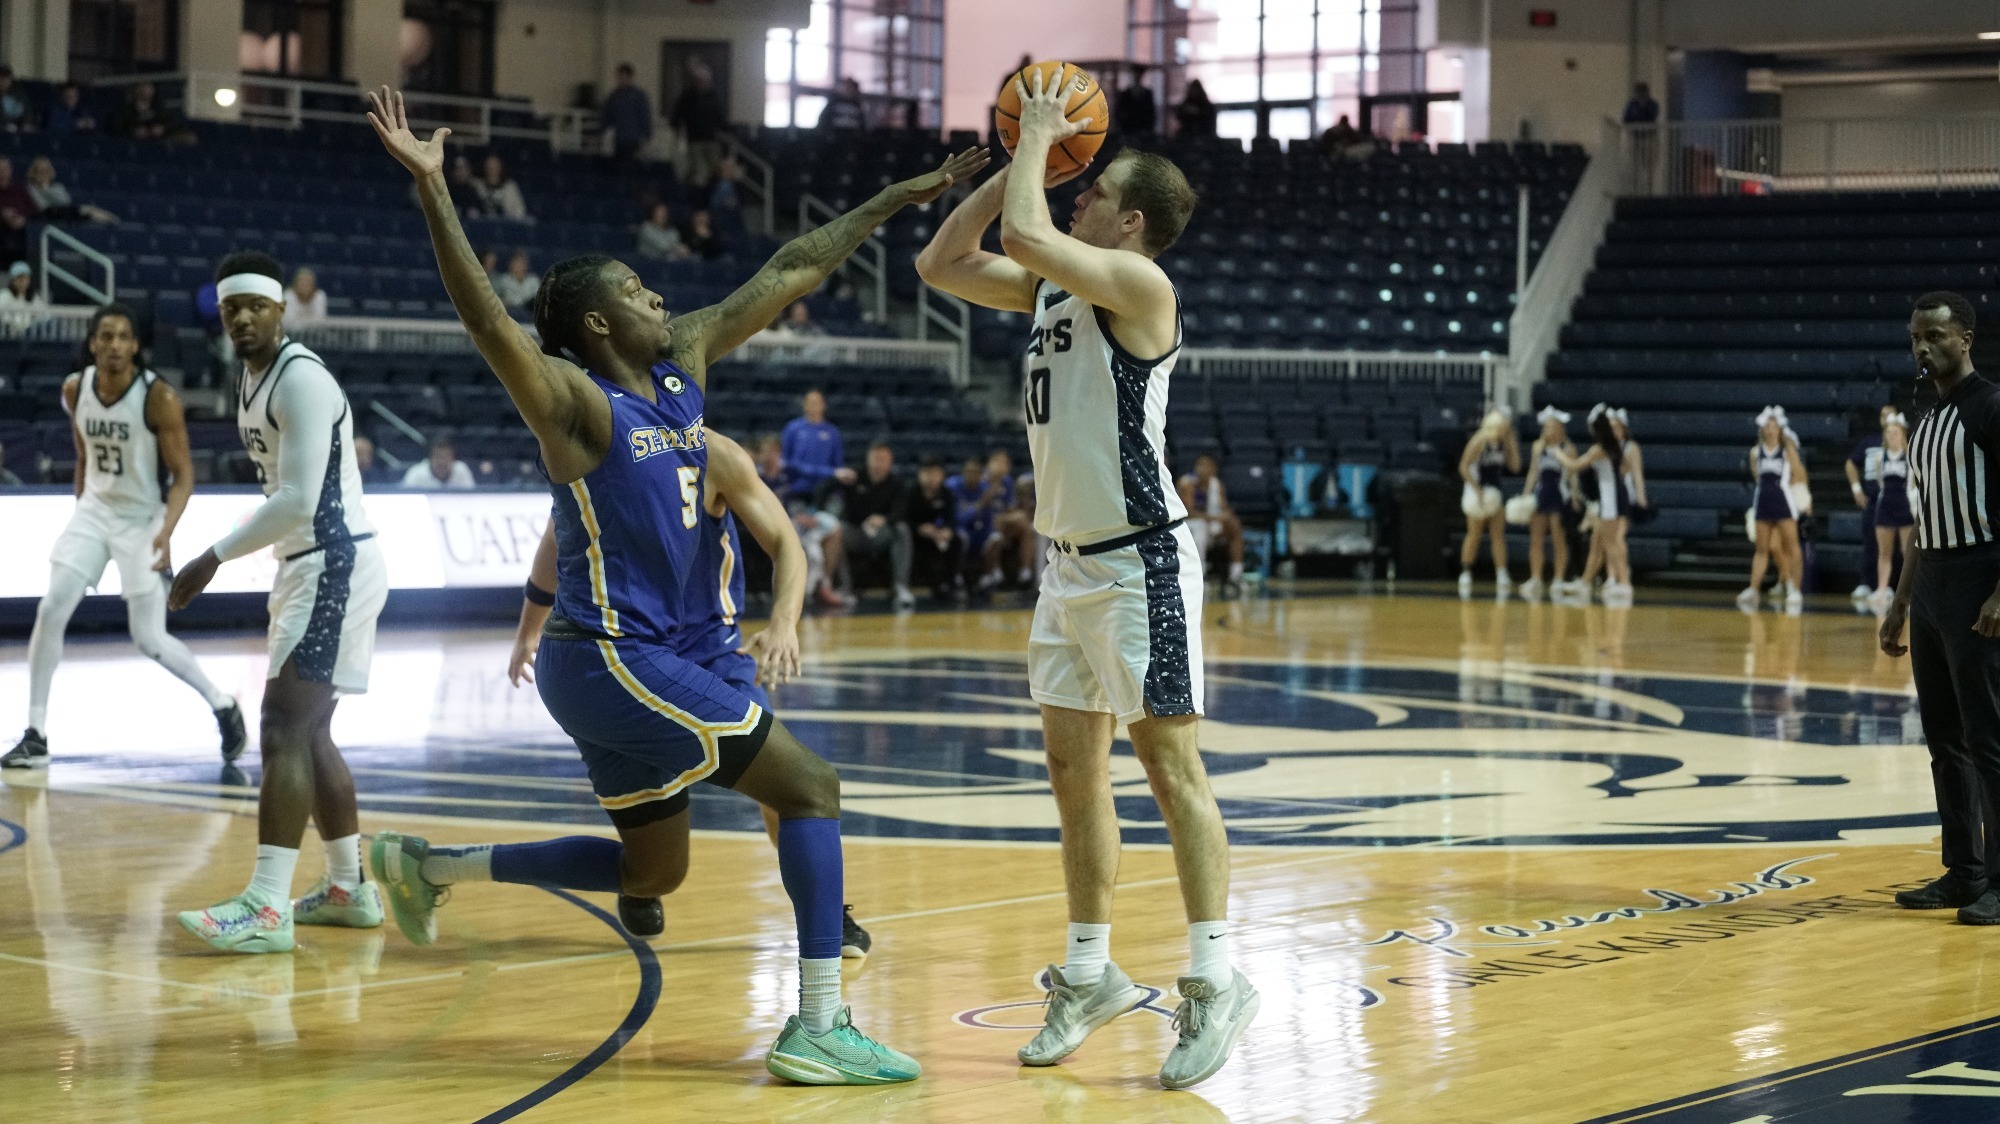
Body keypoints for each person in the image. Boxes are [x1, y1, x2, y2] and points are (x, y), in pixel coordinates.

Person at [363, 85, 982, 1081]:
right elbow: (490, 327)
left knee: (655, 871)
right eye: (643, 294)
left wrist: (904, 194)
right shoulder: (574, 403)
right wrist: (436, 192)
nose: (665, 301)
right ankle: (818, 1023)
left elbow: (788, 268)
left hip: (642, 657)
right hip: (616, 654)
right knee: (809, 782)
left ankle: (429, 865)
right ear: (600, 319)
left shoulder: (683, 367)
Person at [915, 64, 1256, 1090]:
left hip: (1139, 561)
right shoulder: (1058, 279)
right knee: (1074, 778)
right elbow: (942, 261)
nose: (1080, 192)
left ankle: (1213, 978)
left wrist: (1039, 141)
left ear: (1135, 223)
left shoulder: (1142, 287)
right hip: (1064, 571)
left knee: (1170, 772)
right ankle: (1089, 972)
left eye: (1096, 190)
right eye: (1077, 180)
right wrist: (1009, 163)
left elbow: (1024, 235)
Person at [508, 432, 875, 956]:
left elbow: (785, 542)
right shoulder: (601, 448)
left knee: (787, 784)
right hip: (632, 655)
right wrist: (528, 628)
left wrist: (784, 622)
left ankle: (825, 917)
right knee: (656, 866)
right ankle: (639, 882)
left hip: (711, 651)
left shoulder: (712, 454)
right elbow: (557, 540)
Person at [166, 251, 389, 953]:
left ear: (279, 309)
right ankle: (351, 890)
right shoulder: (251, 376)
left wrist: (208, 559)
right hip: (308, 566)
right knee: (311, 732)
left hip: (332, 561)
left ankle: (266, 904)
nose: (241, 318)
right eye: (230, 308)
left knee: (283, 728)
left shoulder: (303, 380)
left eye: (254, 306)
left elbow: (297, 499)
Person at [3, 304, 247, 771]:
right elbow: (83, 456)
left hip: (141, 520)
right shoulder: (74, 389)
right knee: (51, 608)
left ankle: (222, 704)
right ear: (93, 343)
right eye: (105, 336)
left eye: (123, 337)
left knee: (149, 638)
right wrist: (80, 512)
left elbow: (183, 475)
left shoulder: (158, 398)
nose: (114, 344)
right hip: (94, 514)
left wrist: (167, 531)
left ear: (135, 346)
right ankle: (35, 733)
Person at [1880, 291, 2000, 923]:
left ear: (1966, 339)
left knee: (1991, 742)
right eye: (1915, 338)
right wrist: (1900, 605)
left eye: (1934, 336)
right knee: (1944, 741)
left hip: (1981, 578)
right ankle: (1964, 870)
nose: (1923, 347)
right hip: (1931, 590)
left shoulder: (1991, 408)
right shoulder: (1926, 423)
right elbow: (1924, 526)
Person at [1557, 404, 1644, 606]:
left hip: (1610, 500)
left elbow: (1575, 466)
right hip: (1611, 496)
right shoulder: (1612, 447)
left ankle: (1624, 583)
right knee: (1597, 541)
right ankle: (1586, 582)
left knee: (1610, 543)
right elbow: (1626, 468)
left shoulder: (1600, 449)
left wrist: (1557, 454)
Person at [825, 440, 913, 610]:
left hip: (881, 533)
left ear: (890, 462)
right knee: (836, 532)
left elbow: (901, 512)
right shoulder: (854, 476)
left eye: (883, 459)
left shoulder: (896, 484)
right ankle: (845, 588)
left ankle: (901, 587)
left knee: (902, 530)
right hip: (855, 531)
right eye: (876, 458)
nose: (879, 463)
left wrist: (885, 519)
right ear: (868, 459)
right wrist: (836, 476)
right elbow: (824, 489)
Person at [1738, 406, 1808, 613]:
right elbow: (1756, 476)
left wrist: (1800, 499)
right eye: (1767, 426)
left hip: (1783, 500)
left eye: (1774, 425)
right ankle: (1753, 589)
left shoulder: (1787, 451)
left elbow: (1798, 474)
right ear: (1762, 429)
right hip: (1763, 501)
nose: (1771, 429)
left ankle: (1795, 589)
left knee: (1792, 546)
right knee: (1762, 548)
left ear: (1779, 428)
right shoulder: (1755, 452)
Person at [1457, 409, 1520, 599]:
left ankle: (1501, 574)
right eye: (1504, 427)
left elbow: (1515, 467)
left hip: (1494, 492)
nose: (1507, 430)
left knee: (1498, 534)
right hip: (1476, 491)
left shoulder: (1504, 443)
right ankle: (1466, 572)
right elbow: (1463, 467)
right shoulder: (1479, 440)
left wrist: (1512, 444)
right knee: (1474, 533)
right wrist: (1477, 491)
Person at [1520, 406, 1576, 602]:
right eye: (1547, 426)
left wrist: (1575, 497)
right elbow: (1533, 473)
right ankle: (1535, 578)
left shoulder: (1568, 448)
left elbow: (1573, 476)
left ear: (1561, 428)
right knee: (1536, 538)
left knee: (1558, 539)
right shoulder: (1538, 447)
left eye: (1553, 426)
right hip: (1541, 494)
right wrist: (1525, 495)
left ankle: (1559, 578)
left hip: (1559, 495)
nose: (1549, 430)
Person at [1847, 404, 1900, 599]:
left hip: (1898, 501)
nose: (1886, 418)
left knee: (1901, 549)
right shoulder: (1870, 443)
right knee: (1871, 543)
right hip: (1874, 501)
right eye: (1883, 415)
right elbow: (1850, 463)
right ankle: (1868, 583)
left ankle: (1896, 586)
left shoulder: (1903, 443)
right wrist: (1856, 488)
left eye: (1890, 414)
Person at [1178, 452, 1244, 598]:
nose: (1204, 469)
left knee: (1234, 525)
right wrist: (1215, 518)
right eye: (1201, 465)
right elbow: (1188, 512)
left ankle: (1236, 575)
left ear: (1214, 469)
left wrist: (1227, 517)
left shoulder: (1216, 484)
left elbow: (1224, 508)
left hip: (1211, 524)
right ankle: (1200, 575)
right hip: (1189, 525)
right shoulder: (1187, 483)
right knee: (1200, 527)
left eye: (1208, 466)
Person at [1872, 411, 1915, 610]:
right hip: (1885, 505)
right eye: (1888, 433)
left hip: (1904, 505)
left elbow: (1914, 484)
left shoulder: (1910, 457)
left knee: (1907, 552)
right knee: (1884, 552)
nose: (1892, 436)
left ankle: (1910, 592)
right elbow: (1880, 482)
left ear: (1903, 433)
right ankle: (1882, 589)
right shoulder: (1880, 457)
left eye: (1895, 432)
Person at [906, 453, 963, 596]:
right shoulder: (911, 493)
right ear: (920, 475)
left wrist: (947, 530)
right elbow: (904, 519)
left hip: (938, 534)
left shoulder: (946, 494)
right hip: (917, 536)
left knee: (957, 541)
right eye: (927, 473)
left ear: (942, 475)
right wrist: (919, 528)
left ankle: (952, 581)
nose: (931, 478)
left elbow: (951, 518)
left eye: (935, 473)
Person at [781, 388, 850, 498]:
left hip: (825, 489)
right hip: (797, 487)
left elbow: (838, 465)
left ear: (824, 405)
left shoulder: (832, 432)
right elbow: (786, 461)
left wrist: (830, 474)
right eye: (810, 402)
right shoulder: (792, 429)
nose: (813, 406)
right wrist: (816, 471)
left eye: (817, 402)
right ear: (804, 404)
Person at [670, 62, 726, 189]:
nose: (702, 82)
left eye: (705, 79)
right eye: (699, 79)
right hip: (694, 139)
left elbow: (720, 117)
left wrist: (722, 132)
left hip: (712, 139)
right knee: (699, 172)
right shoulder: (687, 96)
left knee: (714, 171)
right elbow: (677, 115)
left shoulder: (714, 96)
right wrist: (677, 131)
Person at [26, 157, 115, 223]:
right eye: (41, 172)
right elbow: (42, 206)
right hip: (51, 215)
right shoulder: (31, 189)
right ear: (34, 173)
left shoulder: (57, 186)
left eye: (46, 171)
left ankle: (115, 222)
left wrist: (47, 190)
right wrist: (44, 190)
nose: (44, 175)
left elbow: (66, 201)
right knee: (87, 214)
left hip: (66, 211)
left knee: (89, 209)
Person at [600, 63, 653, 171]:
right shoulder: (613, 97)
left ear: (630, 78)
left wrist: (646, 138)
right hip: (619, 140)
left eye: (623, 78)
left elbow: (645, 117)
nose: (620, 80)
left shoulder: (638, 97)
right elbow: (607, 116)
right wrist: (601, 132)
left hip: (635, 140)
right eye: (619, 77)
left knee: (632, 169)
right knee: (620, 168)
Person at [111, 82, 186, 142]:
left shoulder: (158, 107)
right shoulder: (127, 109)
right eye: (145, 86)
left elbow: (171, 121)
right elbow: (118, 127)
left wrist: (163, 128)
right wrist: (133, 131)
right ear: (137, 89)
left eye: (150, 86)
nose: (149, 89)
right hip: (135, 142)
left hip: (159, 140)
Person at [400, 433, 475, 489]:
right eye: (438, 457)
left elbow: (472, 500)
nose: (442, 461)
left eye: (446, 457)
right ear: (430, 458)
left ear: (453, 459)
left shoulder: (461, 470)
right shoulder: (416, 474)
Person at [0, 157, 38, 264]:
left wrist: (23, 218)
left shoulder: (20, 189)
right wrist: (3, 215)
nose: (2, 172)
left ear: (10, 170)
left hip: (20, 232)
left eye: (5, 169)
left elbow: (33, 209)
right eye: (0, 169)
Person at [475, 154, 529, 221]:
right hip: (483, 224)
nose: (492, 168)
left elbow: (520, 210)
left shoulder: (510, 186)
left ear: (500, 167)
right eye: (489, 165)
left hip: (507, 224)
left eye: (495, 165)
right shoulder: (478, 185)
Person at [0, 260, 47, 329]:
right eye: (19, 278)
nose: (23, 281)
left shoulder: (33, 297)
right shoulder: (5, 295)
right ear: (12, 280)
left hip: (28, 334)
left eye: (26, 278)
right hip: (10, 333)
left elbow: (44, 315)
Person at [1114, 66, 1156, 137]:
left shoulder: (1147, 93)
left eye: (1139, 74)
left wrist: (1148, 128)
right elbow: (1119, 112)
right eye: (1135, 74)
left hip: (1143, 130)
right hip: (1128, 130)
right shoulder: (1126, 94)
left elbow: (1151, 113)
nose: (1137, 76)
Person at [0, 67, 35, 132]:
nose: (2, 82)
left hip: (20, 125)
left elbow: (27, 109)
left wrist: (26, 123)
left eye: (5, 79)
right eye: (1, 79)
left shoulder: (18, 93)